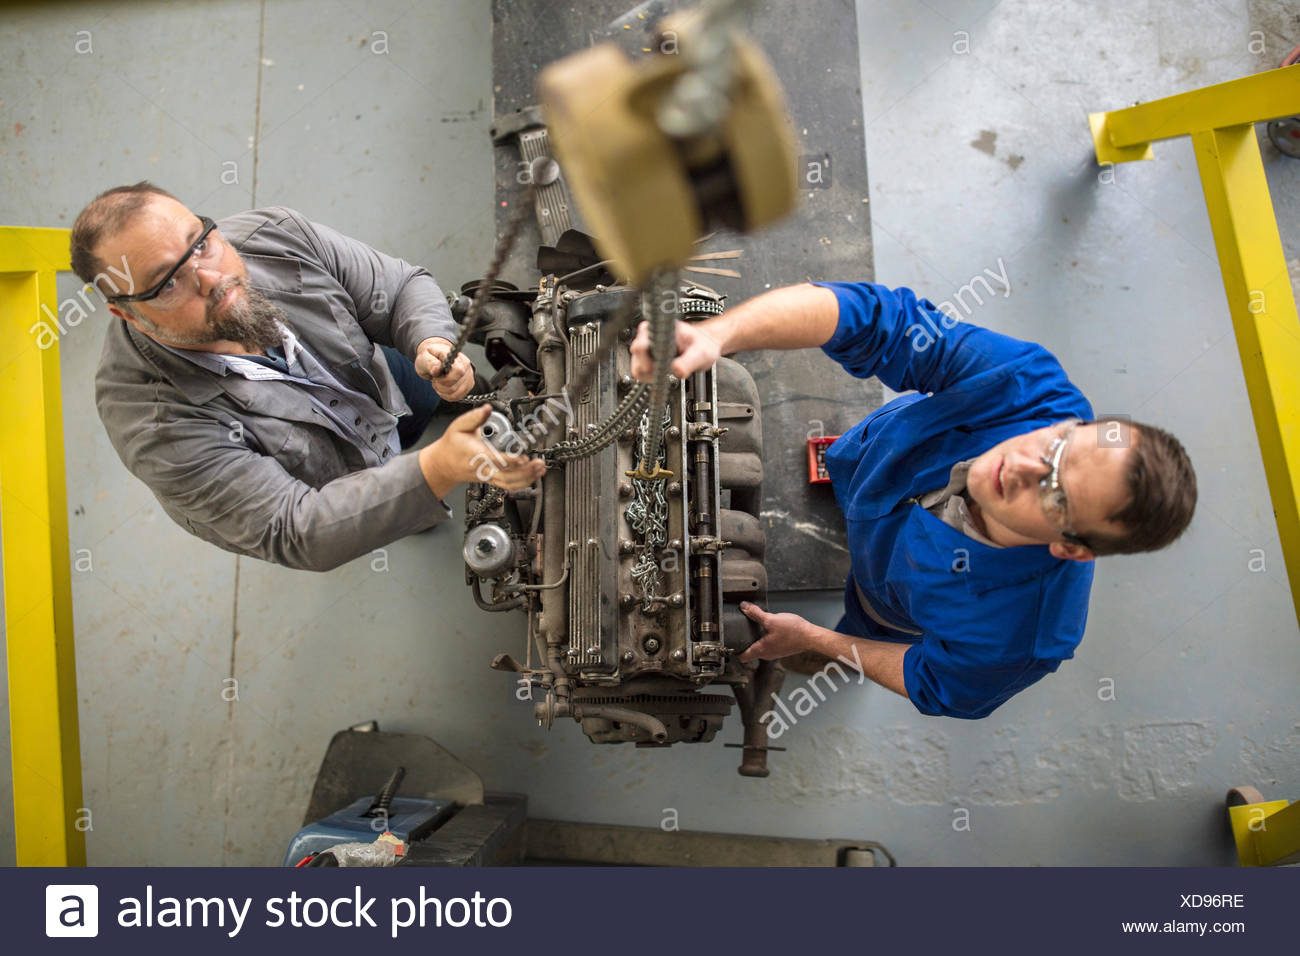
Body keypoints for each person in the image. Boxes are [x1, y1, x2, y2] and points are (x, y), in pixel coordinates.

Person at [630, 281, 1197, 719]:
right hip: (870, 462)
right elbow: (878, 319)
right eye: (1060, 445)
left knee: (862, 631)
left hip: (886, 603)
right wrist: (717, 337)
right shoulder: (1030, 387)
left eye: (1056, 492)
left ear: (1072, 548)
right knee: (854, 462)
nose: (1022, 465)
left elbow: (938, 683)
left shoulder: (1020, 637)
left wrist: (819, 639)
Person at [74, 182, 544, 572]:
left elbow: (399, 288)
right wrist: (434, 470)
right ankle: (411, 503)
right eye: (168, 282)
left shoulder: (275, 236)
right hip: (341, 475)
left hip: (386, 384)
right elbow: (296, 527)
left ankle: (455, 404)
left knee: (448, 386)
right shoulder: (153, 423)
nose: (210, 278)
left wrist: (430, 343)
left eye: (200, 244)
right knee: (391, 499)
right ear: (128, 314)